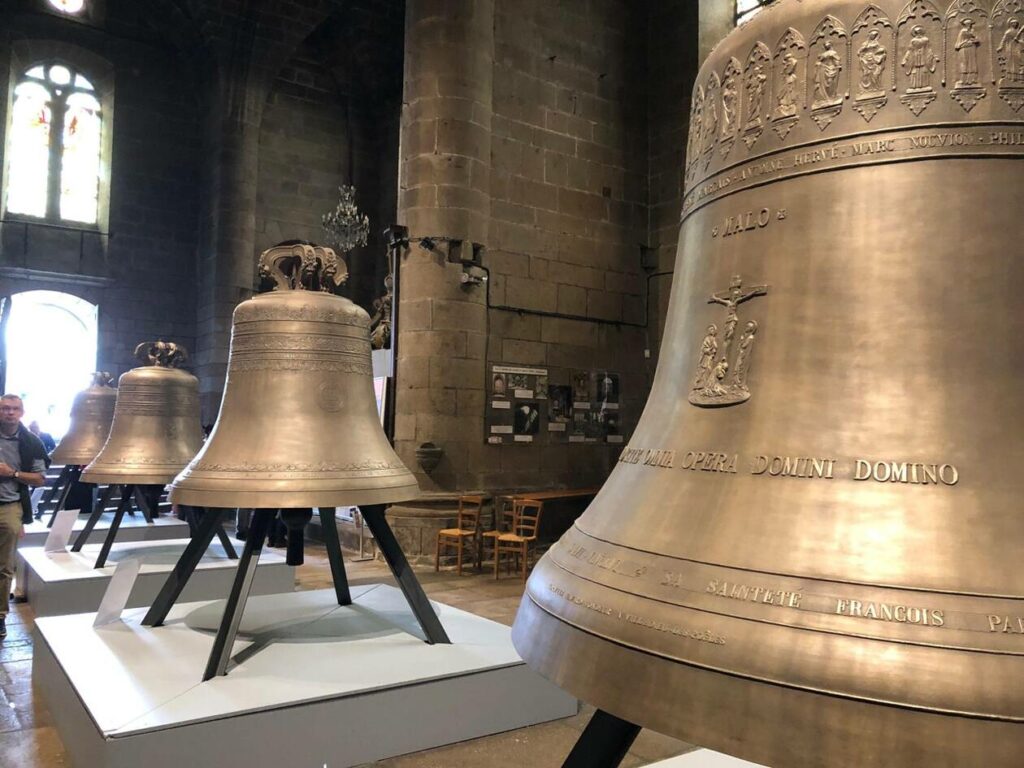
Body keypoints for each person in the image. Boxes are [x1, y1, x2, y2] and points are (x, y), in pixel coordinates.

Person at [0, 395, 47, 640]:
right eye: (5, 409)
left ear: (22, 412)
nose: (9, 413)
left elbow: (39, 478)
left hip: (9, 505)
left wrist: (13, 472)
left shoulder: (31, 442)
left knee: (4, 565)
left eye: (14, 409)